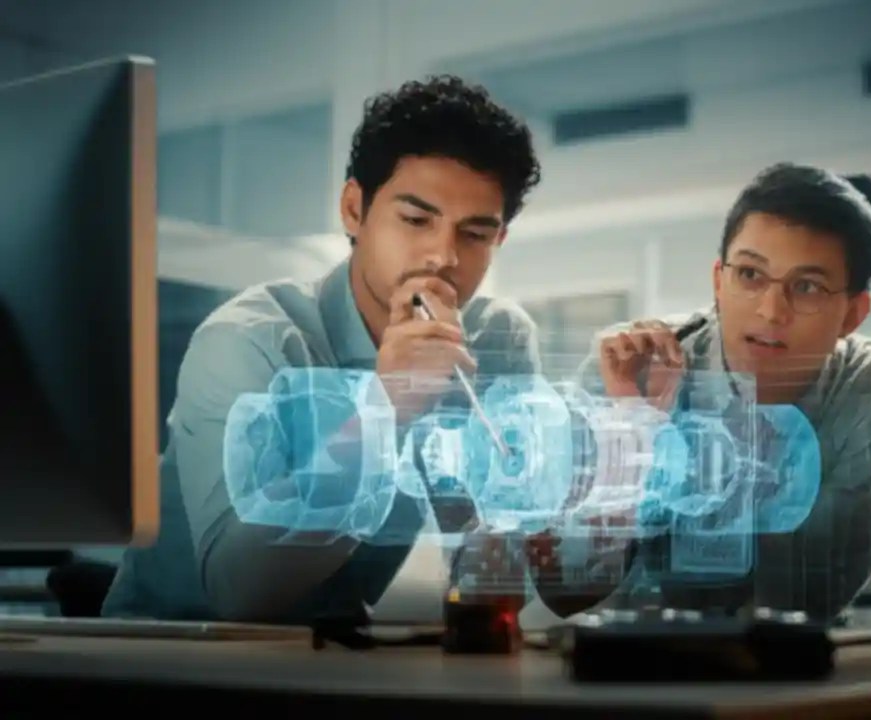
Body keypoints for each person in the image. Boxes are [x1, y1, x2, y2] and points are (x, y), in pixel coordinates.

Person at [102, 75, 543, 622]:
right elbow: (239, 593)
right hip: (162, 658)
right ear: (354, 210)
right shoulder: (249, 340)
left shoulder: (496, 339)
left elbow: (510, 565)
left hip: (337, 654)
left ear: (498, 240)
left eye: (474, 234)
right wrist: (387, 410)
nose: (442, 256)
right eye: (415, 220)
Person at [529, 164, 871, 624]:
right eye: (750, 275)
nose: (770, 311)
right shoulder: (627, 369)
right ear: (718, 281)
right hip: (612, 674)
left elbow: (804, 596)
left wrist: (651, 474)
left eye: (807, 287)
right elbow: (566, 588)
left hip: (776, 681)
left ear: (852, 315)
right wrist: (636, 427)